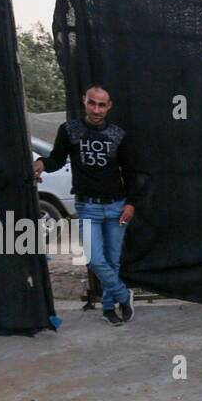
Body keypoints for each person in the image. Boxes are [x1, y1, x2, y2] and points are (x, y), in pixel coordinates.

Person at [35, 84, 143, 326]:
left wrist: (131, 204)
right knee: (95, 259)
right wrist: (42, 163)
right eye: (92, 103)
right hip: (87, 207)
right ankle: (124, 296)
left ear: (109, 106)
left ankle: (108, 308)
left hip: (117, 206)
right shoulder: (70, 130)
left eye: (102, 104)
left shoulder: (118, 134)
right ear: (84, 101)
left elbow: (131, 172)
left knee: (112, 261)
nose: (96, 109)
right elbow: (56, 159)